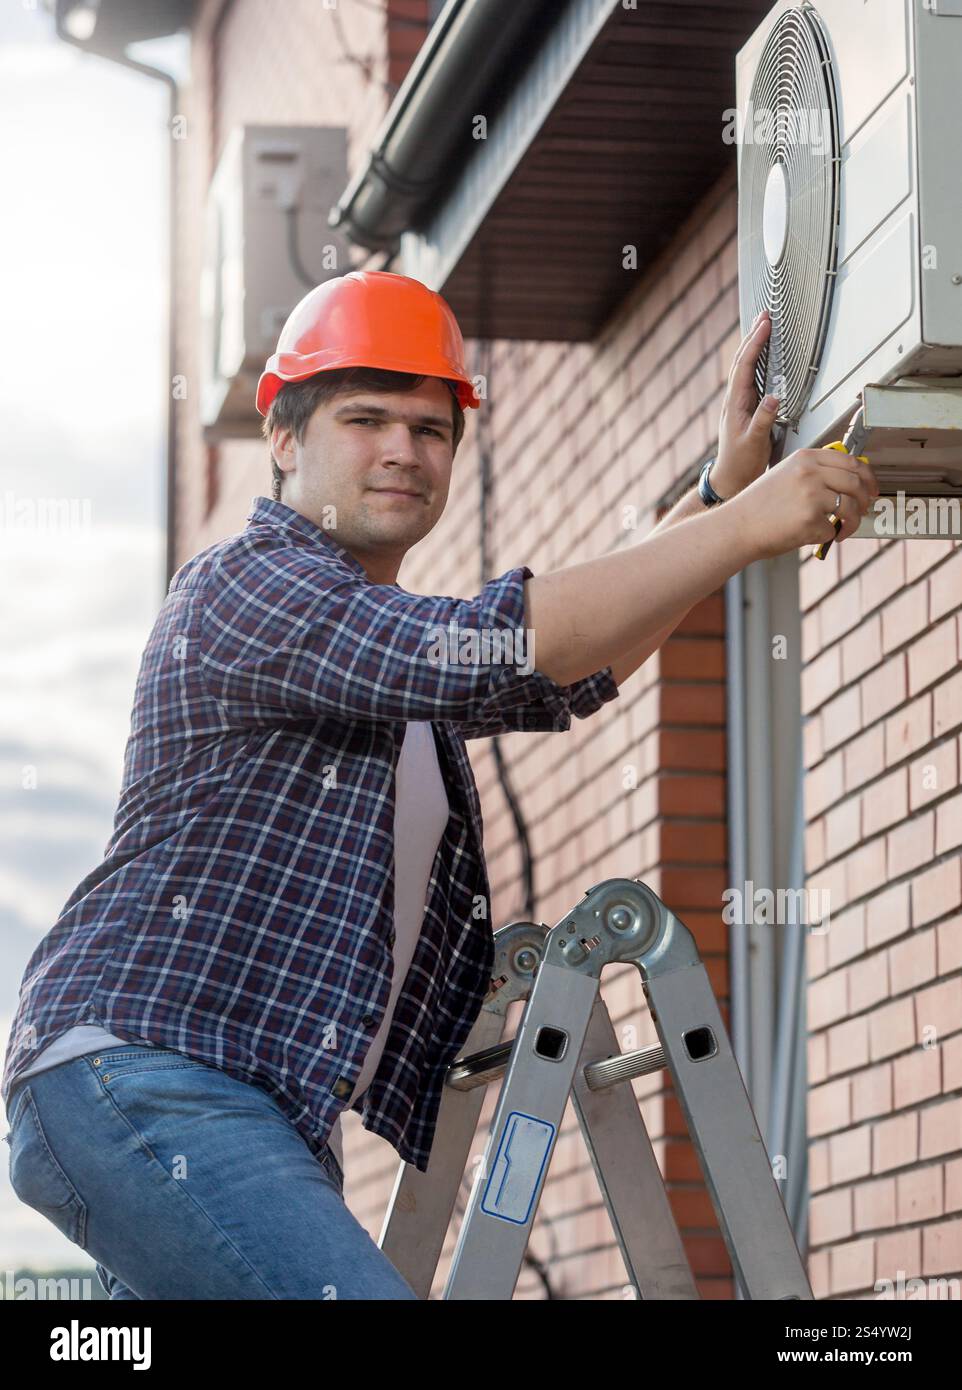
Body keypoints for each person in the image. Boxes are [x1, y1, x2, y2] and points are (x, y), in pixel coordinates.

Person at [2, 271, 878, 1299]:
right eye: (364, 418)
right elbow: (497, 642)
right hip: (148, 1081)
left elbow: (563, 672)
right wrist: (740, 527)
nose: (402, 451)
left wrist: (718, 503)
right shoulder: (245, 583)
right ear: (283, 440)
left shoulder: (379, 652)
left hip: (249, 1110)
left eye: (429, 429)